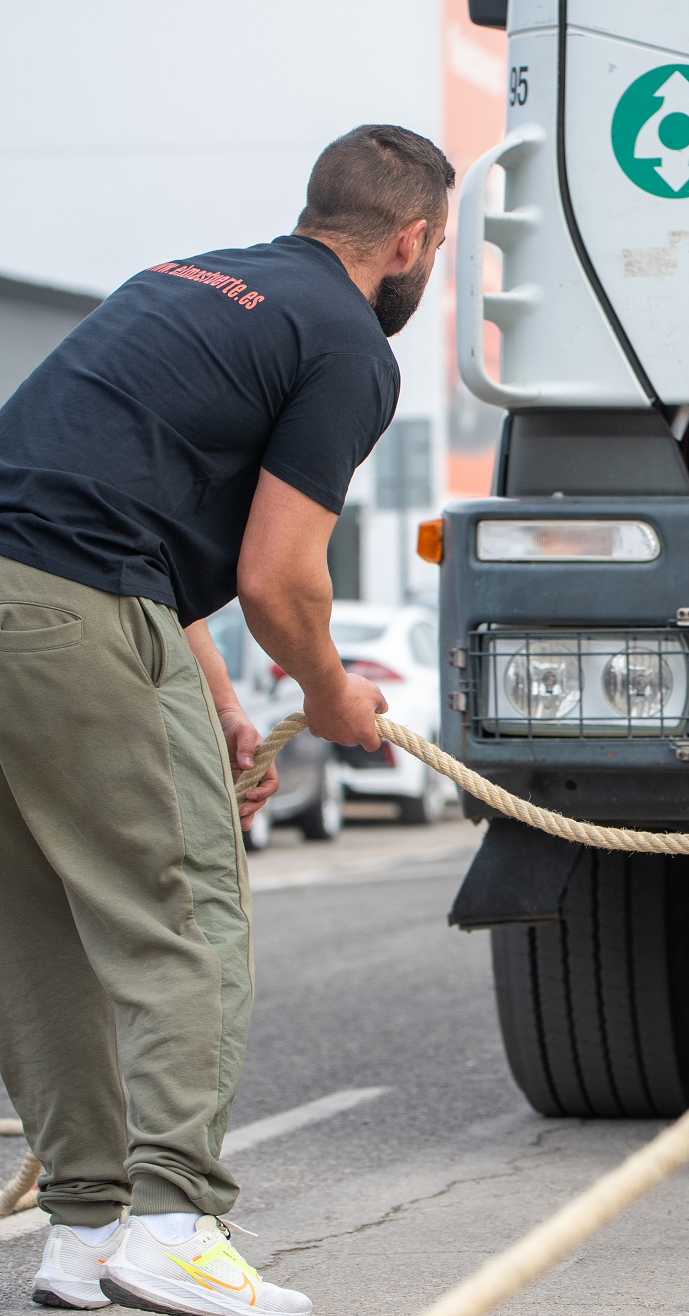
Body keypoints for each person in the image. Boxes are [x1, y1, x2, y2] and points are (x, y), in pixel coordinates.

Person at [0, 125, 452, 1313]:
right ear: (410, 242)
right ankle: (171, 1221)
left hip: (32, 594)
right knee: (186, 918)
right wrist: (329, 692)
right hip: (75, 612)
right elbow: (281, 578)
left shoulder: (183, 281)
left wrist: (206, 684)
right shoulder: (347, 340)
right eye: (435, 251)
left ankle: (82, 1237)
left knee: (39, 928)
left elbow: (108, 493)